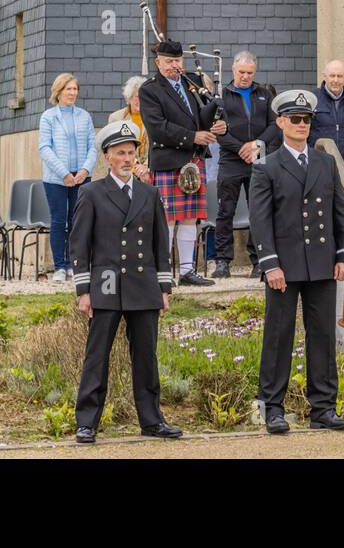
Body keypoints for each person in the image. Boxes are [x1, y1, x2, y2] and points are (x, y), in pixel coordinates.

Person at [249, 89, 344, 435]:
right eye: (295, 119)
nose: (302, 125)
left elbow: (340, 210)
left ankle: (323, 407)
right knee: (279, 335)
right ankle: (273, 408)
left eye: (307, 120)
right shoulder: (267, 167)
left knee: (323, 335)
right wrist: (270, 264)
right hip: (284, 264)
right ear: (280, 122)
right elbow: (261, 220)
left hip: (322, 262)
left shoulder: (325, 162)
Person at [71, 119, 181, 443]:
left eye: (131, 152)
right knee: (97, 355)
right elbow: (79, 244)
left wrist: (164, 288)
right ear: (107, 157)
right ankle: (87, 421)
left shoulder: (149, 193)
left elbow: (161, 244)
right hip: (105, 284)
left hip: (143, 284)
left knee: (146, 357)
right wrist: (83, 290)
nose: (127, 159)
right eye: (120, 153)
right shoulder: (92, 192)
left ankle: (152, 420)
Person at [139, 39, 226, 286]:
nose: (173, 66)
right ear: (158, 62)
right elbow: (157, 129)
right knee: (166, 218)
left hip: (193, 159)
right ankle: (163, 273)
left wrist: (219, 123)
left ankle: (187, 271)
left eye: (177, 61)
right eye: (168, 61)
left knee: (190, 217)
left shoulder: (193, 83)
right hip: (168, 160)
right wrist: (193, 137)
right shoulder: (150, 90)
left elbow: (202, 116)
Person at [212, 51, 281, 278]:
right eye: (241, 72)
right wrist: (240, 148)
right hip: (231, 158)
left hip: (258, 155)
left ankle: (259, 260)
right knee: (225, 211)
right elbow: (217, 129)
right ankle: (222, 261)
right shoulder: (222, 95)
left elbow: (275, 125)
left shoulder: (264, 94)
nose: (245, 76)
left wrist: (256, 145)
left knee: (259, 210)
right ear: (233, 70)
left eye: (250, 73)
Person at [38, 72, 97, 283]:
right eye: (68, 89)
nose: (72, 93)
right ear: (59, 91)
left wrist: (84, 170)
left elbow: (93, 146)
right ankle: (60, 267)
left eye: (75, 89)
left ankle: (75, 264)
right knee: (58, 220)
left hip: (81, 177)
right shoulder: (48, 117)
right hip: (56, 179)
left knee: (77, 221)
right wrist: (64, 173)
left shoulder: (84, 116)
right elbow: (44, 148)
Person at [108, 75, 152, 184]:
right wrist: (136, 167)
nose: (140, 100)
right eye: (137, 96)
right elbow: (114, 148)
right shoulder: (116, 118)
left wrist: (146, 166)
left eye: (144, 96)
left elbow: (157, 145)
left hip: (149, 172)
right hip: (122, 170)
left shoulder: (154, 118)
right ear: (129, 97)